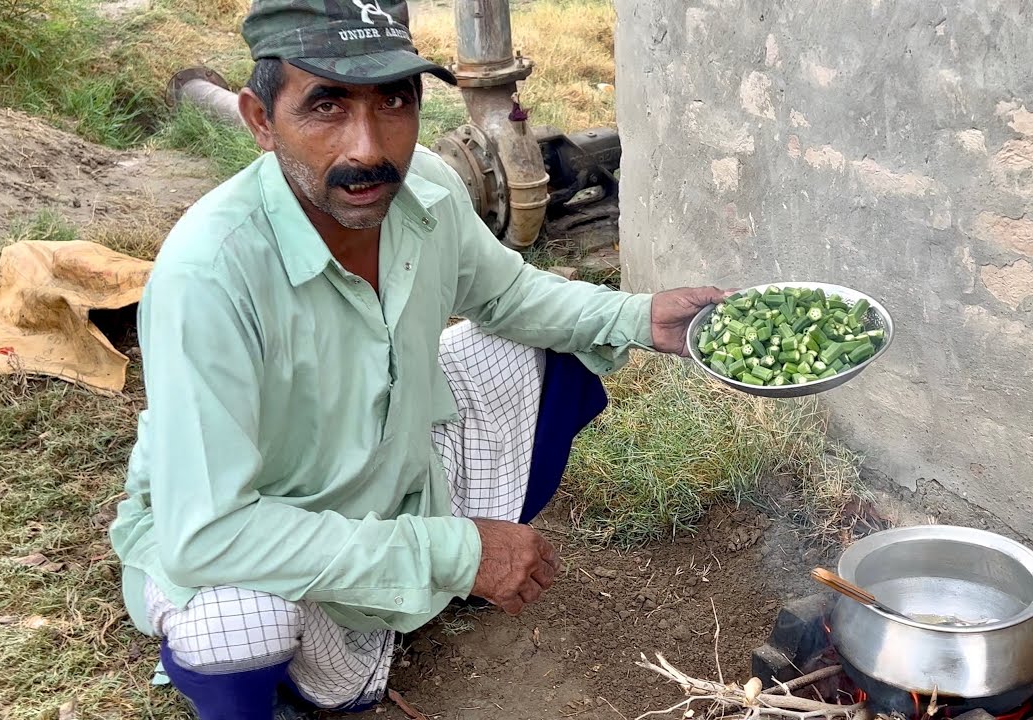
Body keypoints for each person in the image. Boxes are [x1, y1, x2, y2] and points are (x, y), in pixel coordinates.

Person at [106, 0, 726, 717]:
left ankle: (423, 578)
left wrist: (639, 317)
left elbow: (508, 295)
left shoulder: (424, 187)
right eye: (327, 106)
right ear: (259, 120)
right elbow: (208, 533)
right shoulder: (208, 276)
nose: (368, 148)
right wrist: (455, 552)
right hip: (265, 528)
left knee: (546, 344)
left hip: (385, 473)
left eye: (394, 101)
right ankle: (277, 689)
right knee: (235, 624)